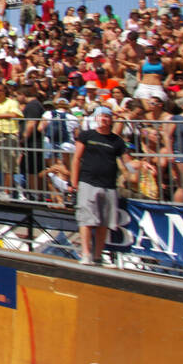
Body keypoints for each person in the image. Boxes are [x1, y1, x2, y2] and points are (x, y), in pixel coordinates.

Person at [70, 107, 138, 266]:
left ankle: (98, 257)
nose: (105, 119)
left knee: (103, 223)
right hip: (88, 182)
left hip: (109, 185)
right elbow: (76, 159)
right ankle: (86, 254)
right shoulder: (86, 135)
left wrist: (140, 165)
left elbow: (128, 163)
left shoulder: (117, 141)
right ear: (96, 118)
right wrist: (74, 183)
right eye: (102, 116)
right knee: (86, 220)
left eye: (108, 117)